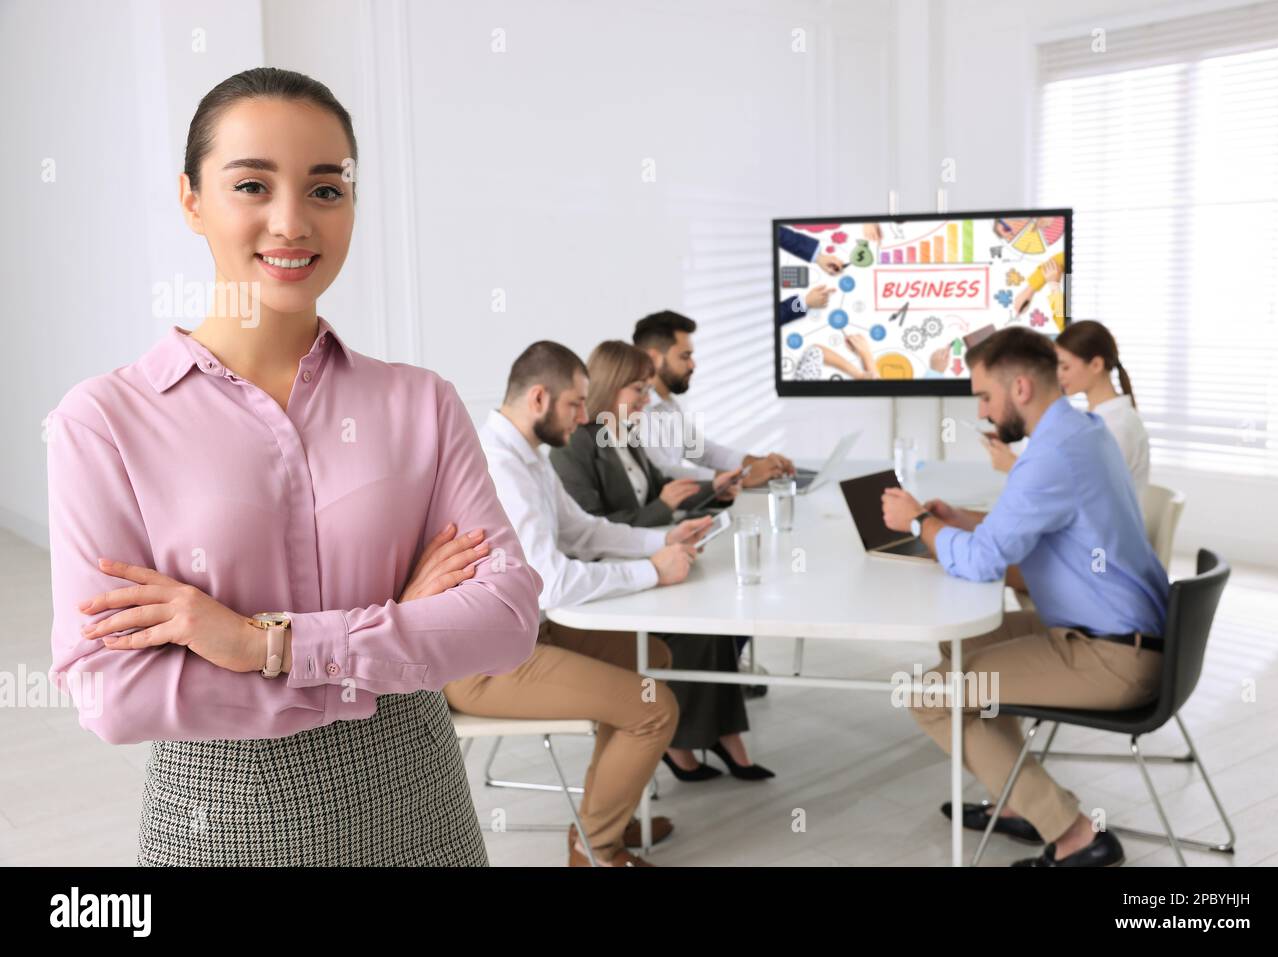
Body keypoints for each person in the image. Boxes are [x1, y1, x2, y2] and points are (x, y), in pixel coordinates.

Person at [47, 68, 543, 866]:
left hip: (420, 811)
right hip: (218, 821)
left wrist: (258, 644)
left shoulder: (421, 402)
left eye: (325, 190)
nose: (291, 222)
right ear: (191, 200)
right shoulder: (104, 422)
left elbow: (508, 618)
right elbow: (112, 691)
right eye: (251, 184)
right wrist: (395, 631)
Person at [880, 326, 1170, 867]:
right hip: (1117, 634)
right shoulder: (1081, 432)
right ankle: (1018, 803)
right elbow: (1028, 527)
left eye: (985, 397)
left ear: (1019, 388)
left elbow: (986, 561)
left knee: (928, 695)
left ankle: (1077, 834)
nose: (984, 413)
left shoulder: (1049, 457)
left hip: (1112, 657)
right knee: (964, 646)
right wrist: (961, 521)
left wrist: (918, 520)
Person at [444, 341, 715, 867]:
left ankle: (603, 819)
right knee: (654, 709)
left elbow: (583, 531)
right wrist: (652, 572)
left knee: (650, 658)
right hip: (486, 660)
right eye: (576, 404)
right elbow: (554, 583)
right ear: (539, 398)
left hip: (528, 630)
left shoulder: (529, 456)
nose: (587, 417)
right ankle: (596, 849)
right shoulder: (499, 466)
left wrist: (663, 540)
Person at [550, 341, 775, 782]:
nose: (647, 400)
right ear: (611, 388)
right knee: (697, 630)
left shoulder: (626, 435)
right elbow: (587, 529)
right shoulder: (575, 446)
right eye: (638, 389)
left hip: (642, 559)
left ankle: (718, 734)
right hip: (604, 582)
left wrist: (715, 489)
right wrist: (661, 515)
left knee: (715, 621)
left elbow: (662, 489)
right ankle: (688, 740)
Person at [983, 320, 1149, 494]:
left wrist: (1013, 466)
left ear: (1096, 365)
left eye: (1065, 367)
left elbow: (1080, 493)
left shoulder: (1117, 427)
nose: (1058, 375)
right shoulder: (1098, 419)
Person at [633, 310, 795, 487]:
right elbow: (662, 473)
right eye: (684, 356)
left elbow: (703, 452)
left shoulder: (668, 405)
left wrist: (759, 463)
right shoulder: (635, 410)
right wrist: (740, 478)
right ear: (653, 358)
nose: (692, 365)